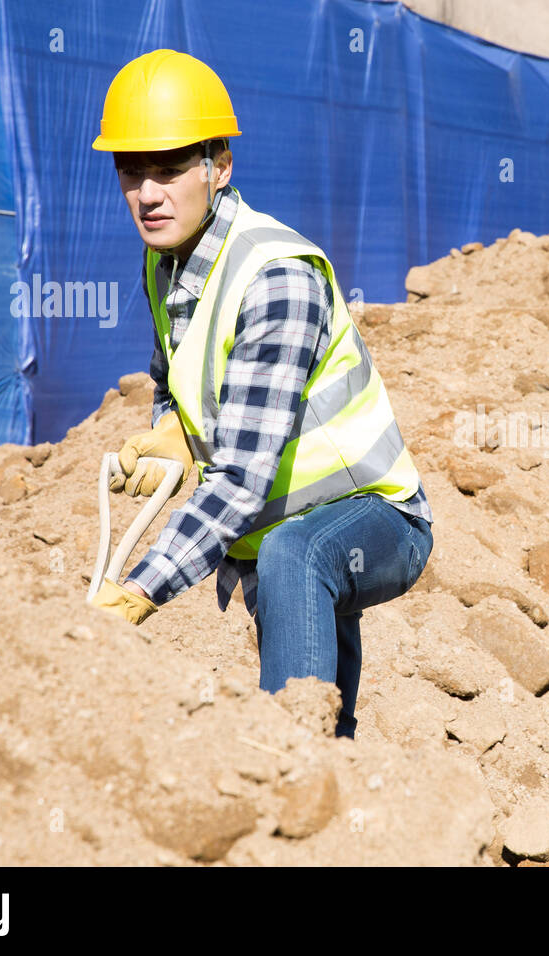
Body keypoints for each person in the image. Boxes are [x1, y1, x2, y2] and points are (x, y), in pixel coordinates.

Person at [87, 49, 434, 739]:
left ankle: (295, 770)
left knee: (296, 561)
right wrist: (171, 432)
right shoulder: (165, 265)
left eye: (170, 167)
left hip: (375, 519)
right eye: (132, 168)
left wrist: (139, 591)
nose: (148, 192)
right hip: (289, 530)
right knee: (323, 690)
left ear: (219, 167)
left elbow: (242, 482)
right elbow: (176, 379)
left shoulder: (275, 276)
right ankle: (336, 780)